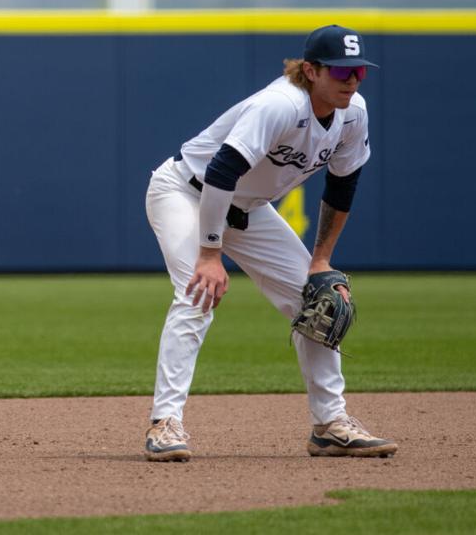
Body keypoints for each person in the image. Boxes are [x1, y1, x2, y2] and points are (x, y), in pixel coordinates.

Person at [142, 24, 398, 461]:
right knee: (197, 294)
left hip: (248, 207)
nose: (352, 80)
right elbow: (221, 171)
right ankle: (165, 423)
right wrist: (210, 253)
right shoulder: (279, 105)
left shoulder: (354, 113)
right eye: (341, 71)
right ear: (311, 70)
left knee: (316, 300)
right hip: (186, 191)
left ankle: (330, 425)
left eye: (358, 71)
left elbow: (342, 186)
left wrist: (321, 260)